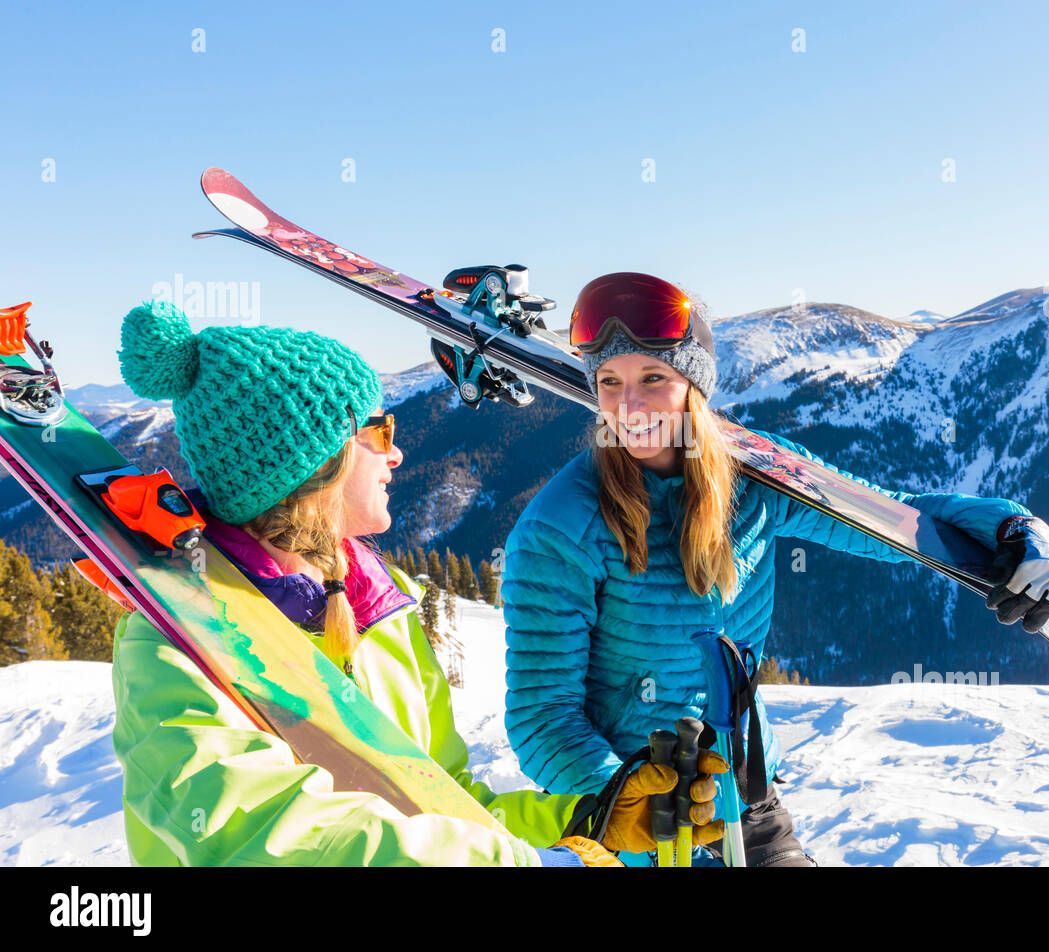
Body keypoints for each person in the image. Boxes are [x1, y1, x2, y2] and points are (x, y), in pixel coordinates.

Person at [108, 300, 724, 867]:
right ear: (314, 465)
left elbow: (444, 805)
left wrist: (592, 817)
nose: (396, 453)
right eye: (378, 433)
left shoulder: (381, 607)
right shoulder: (171, 643)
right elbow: (259, 833)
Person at [500, 273, 1049, 867]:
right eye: (609, 383)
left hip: (747, 796)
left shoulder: (758, 481)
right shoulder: (561, 528)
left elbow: (888, 520)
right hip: (627, 817)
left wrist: (1011, 531)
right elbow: (542, 713)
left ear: (693, 387)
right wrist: (622, 799)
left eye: (654, 378)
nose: (628, 407)